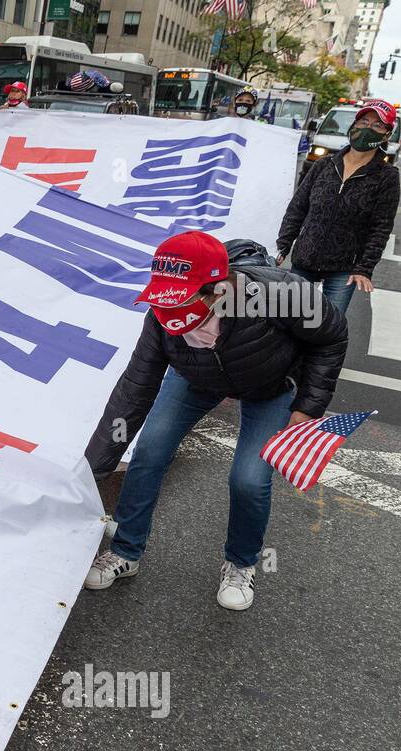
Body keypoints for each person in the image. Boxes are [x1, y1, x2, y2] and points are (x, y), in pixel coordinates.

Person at [82, 231, 347, 611]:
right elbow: (135, 388)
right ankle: (125, 550)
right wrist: (93, 471)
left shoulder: (282, 294)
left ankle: (241, 563)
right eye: (165, 299)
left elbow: (331, 338)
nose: (172, 312)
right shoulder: (160, 312)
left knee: (249, 478)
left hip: (271, 384)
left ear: (220, 290)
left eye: (183, 300)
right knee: (150, 449)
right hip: (196, 377)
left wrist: (307, 408)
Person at [275, 98, 400, 318]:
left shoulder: (386, 176)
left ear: (386, 134)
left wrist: (365, 268)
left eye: (377, 125)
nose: (367, 128)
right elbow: (298, 208)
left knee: (329, 328)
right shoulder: (324, 165)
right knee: (290, 322)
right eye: (363, 122)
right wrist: (282, 246)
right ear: (353, 125)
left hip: (344, 268)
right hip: (305, 258)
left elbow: (381, 227)